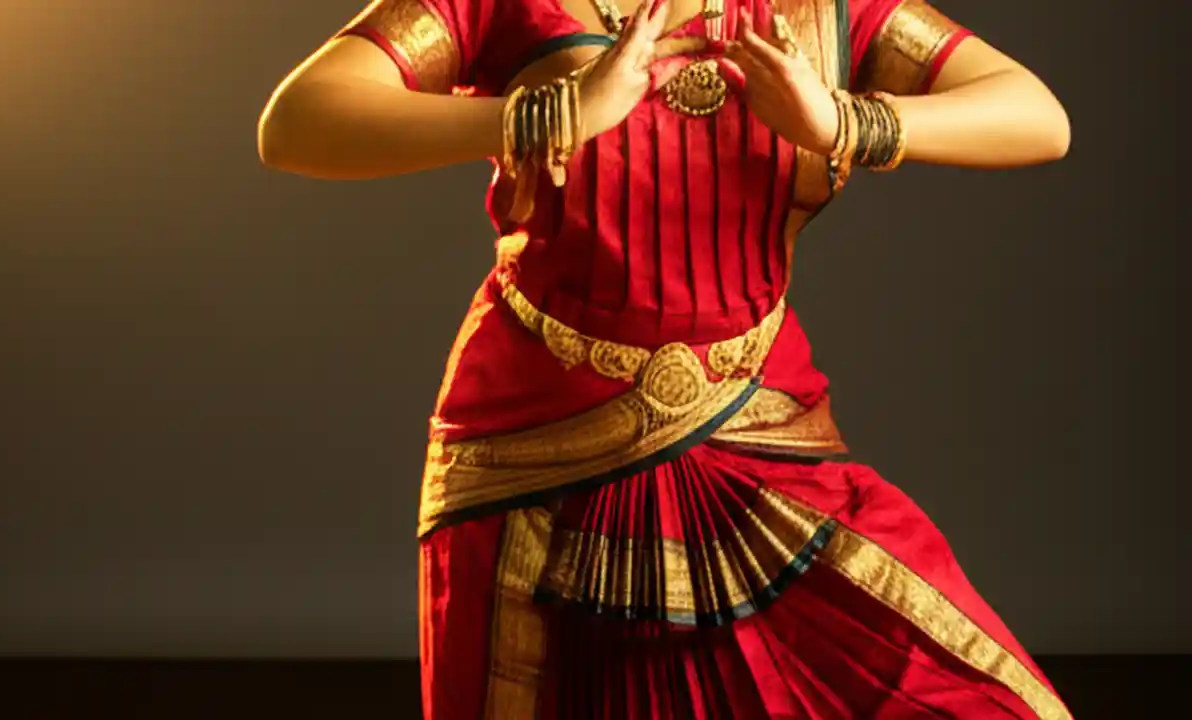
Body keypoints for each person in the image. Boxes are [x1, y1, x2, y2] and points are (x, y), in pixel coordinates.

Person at [257, 0, 1073, 717]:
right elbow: (295, 123)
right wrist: (545, 113)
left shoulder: (827, 10)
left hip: (759, 433)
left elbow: (1039, 116)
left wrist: (844, 124)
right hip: (536, 455)